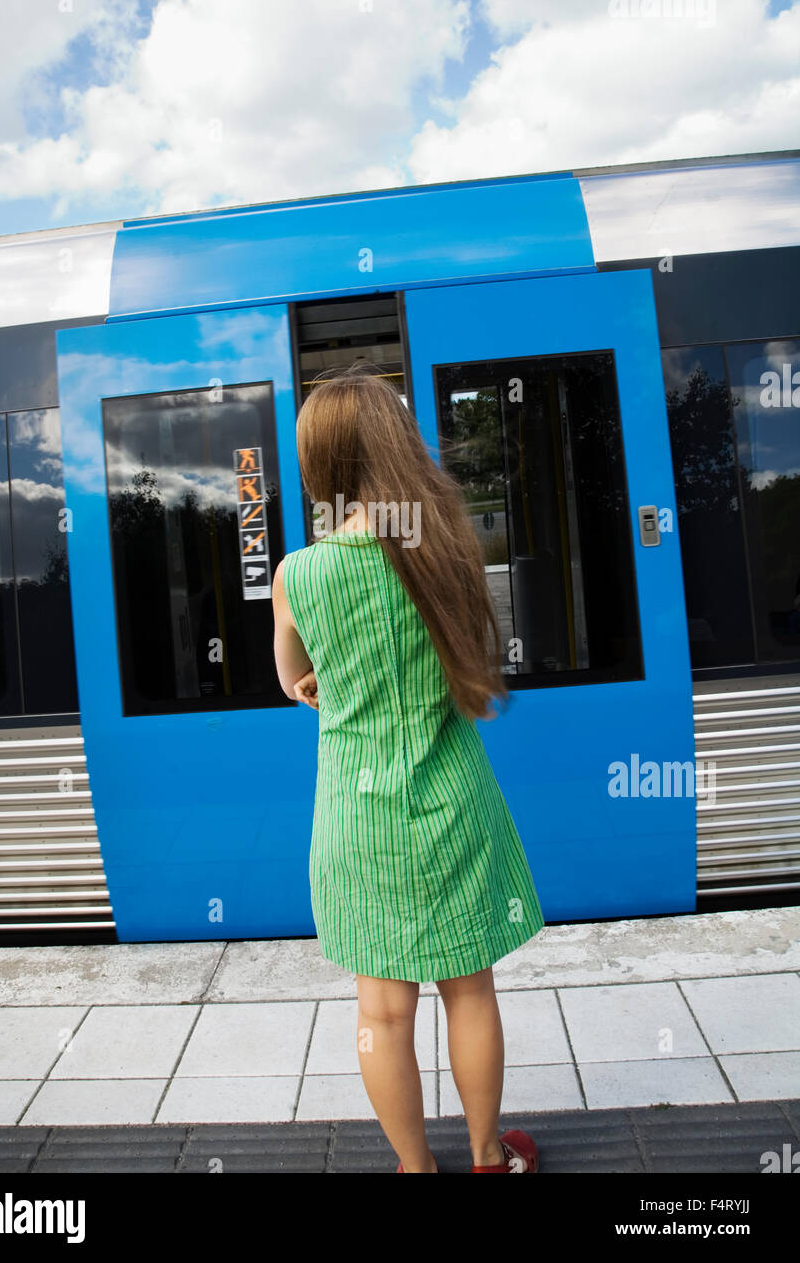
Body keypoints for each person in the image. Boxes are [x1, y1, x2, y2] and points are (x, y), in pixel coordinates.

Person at [272, 367, 545, 1174]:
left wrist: (326, 680)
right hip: (452, 798)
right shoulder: (447, 548)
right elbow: (472, 656)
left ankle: (415, 1171)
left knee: (383, 1014)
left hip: (357, 818)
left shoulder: (298, 575)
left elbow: (295, 682)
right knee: (470, 989)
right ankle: (489, 1157)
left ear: (320, 462)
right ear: (399, 445)